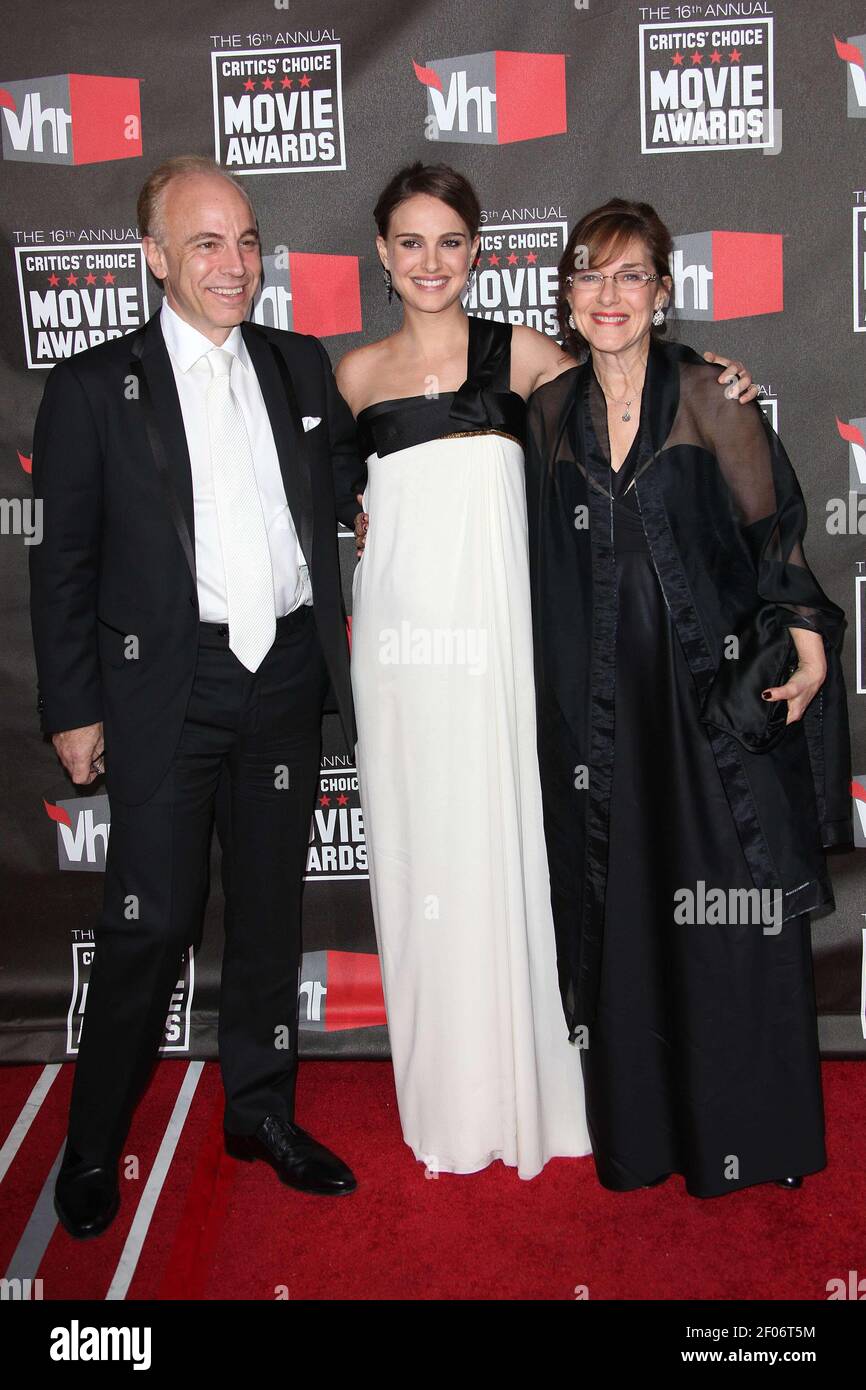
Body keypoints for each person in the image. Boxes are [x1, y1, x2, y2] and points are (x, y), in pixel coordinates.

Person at [334, 163, 756, 1179]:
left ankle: (535, 1084)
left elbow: (630, 376)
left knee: (513, 849)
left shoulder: (525, 358)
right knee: (423, 857)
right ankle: (446, 1094)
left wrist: (716, 383)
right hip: (399, 661)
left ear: (475, 252)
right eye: (409, 242)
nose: (430, 262)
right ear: (382, 255)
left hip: (504, 657)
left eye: (449, 241)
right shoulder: (348, 378)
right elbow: (345, 517)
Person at [29, 155, 362, 1239]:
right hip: (168, 688)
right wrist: (74, 710)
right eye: (207, 243)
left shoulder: (301, 366)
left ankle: (257, 1114)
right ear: (154, 257)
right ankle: (91, 1145)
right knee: (150, 922)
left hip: (283, 680)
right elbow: (62, 562)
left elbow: (362, 484)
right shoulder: (91, 387)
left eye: (248, 240)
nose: (235, 264)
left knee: (268, 913)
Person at [524, 198, 852, 1198]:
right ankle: (644, 1138)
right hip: (599, 715)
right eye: (589, 274)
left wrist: (802, 643)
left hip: (706, 706)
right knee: (623, 920)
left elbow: (774, 534)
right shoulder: (544, 412)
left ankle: (756, 1137)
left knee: (732, 916)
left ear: (661, 293)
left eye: (631, 275)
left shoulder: (712, 394)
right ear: (567, 297)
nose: (609, 294)